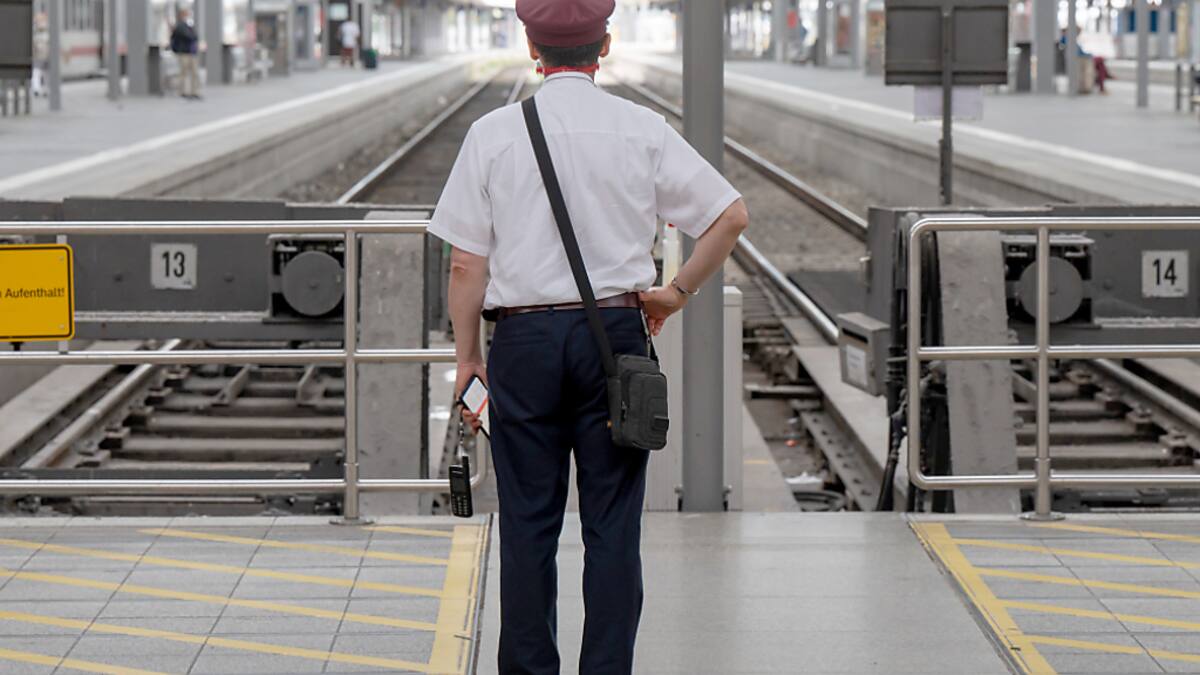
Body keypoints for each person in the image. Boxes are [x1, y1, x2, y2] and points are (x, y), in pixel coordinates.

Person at [428, 0, 750, 672]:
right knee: (611, 527)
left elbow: (465, 264)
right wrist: (676, 292)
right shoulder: (641, 128)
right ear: (604, 45)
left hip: (523, 344)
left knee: (526, 524)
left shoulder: (493, 134)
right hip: (615, 338)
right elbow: (729, 214)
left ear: (531, 47)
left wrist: (467, 358)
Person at [1059, 27, 1112, 94]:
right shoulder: (1068, 39)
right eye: (1078, 32)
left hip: (1083, 58)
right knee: (1101, 60)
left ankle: (1104, 82)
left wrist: (1090, 55)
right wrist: (1090, 55)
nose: (1078, 34)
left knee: (1100, 64)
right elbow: (1078, 53)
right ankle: (1103, 83)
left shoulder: (1068, 39)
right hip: (1082, 59)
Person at [170, 9, 201, 100]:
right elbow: (189, 36)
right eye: (186, 15)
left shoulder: (189, 25)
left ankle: (194, 92)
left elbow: (195, 36)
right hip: (183, 52)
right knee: (184, 73)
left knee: (194, 73)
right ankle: (183, 91)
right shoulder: (180, 26)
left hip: (192, 52)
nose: (188, 16)